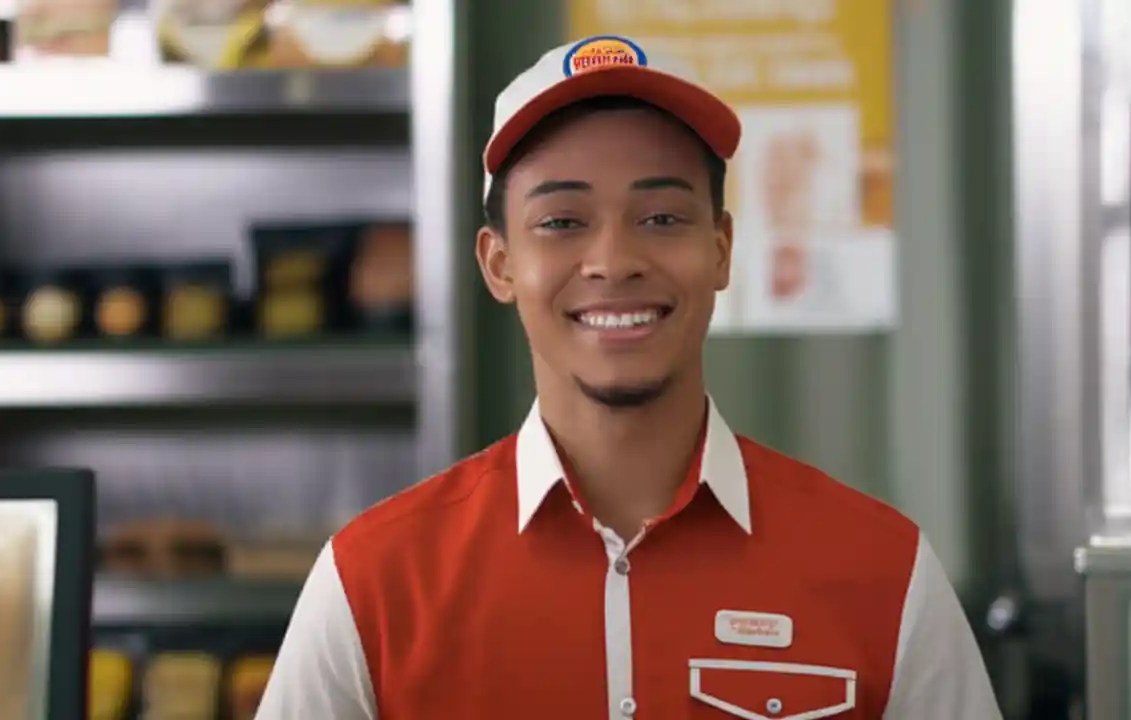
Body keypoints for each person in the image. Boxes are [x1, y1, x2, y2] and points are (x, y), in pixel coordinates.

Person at [256, 34, 1002, 720]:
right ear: (500, 264)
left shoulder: (885, 574)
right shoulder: (371, 585)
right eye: (562, 221)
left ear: (721, 249)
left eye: (662, 218)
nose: (614, 262)